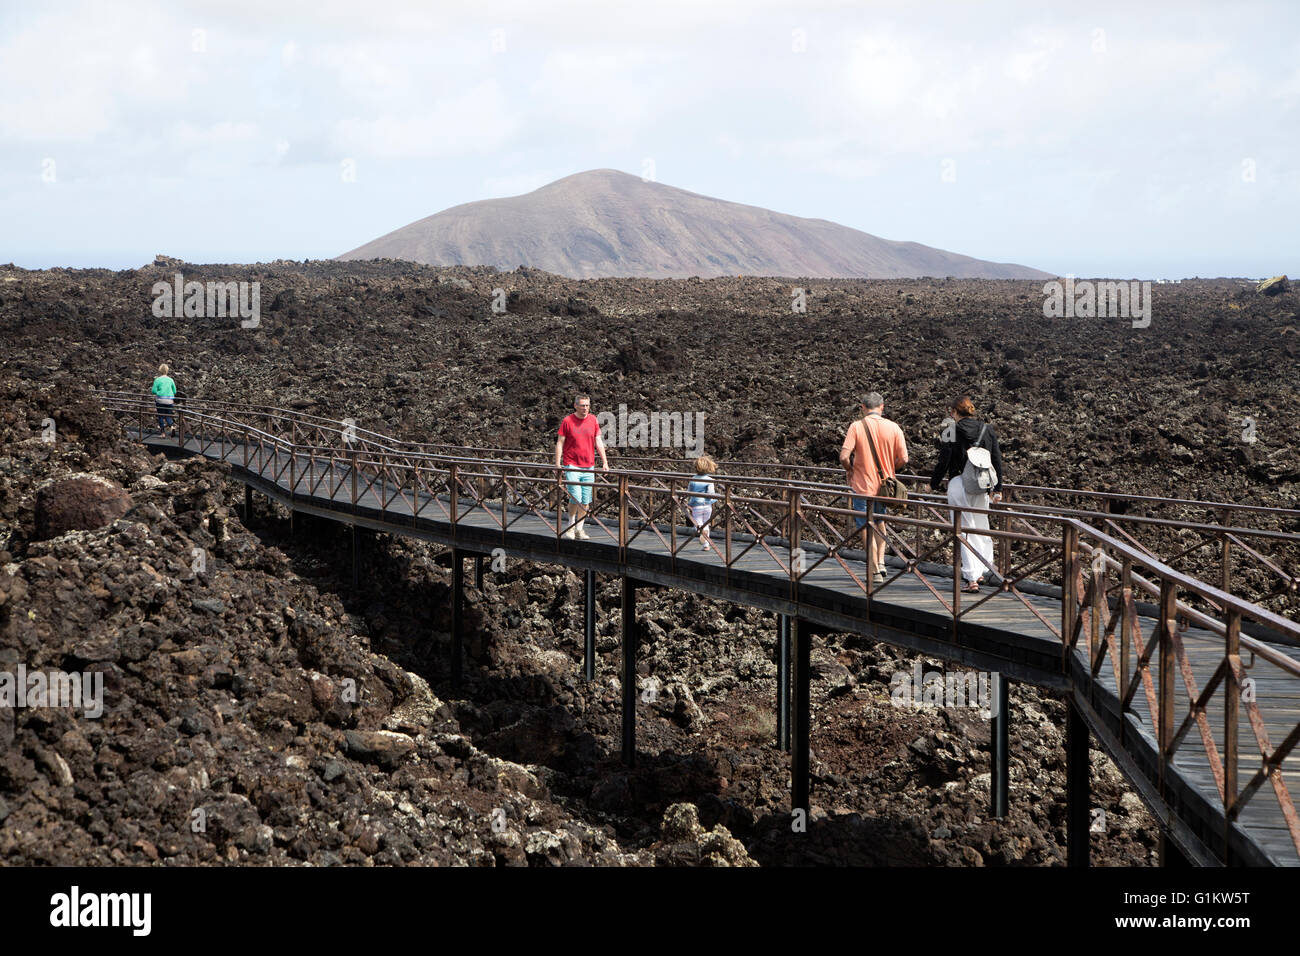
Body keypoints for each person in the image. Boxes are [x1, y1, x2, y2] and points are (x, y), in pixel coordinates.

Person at [929, 395, 1005, 592]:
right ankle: (984, 568)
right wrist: (997, 489)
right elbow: (996, 459)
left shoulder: (950, 429)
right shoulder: (987, 429)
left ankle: (971, 578)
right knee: (981, 525)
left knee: (963, 529)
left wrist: (933, 484)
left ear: (953, 412)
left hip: (959, 483)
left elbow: (944, 460)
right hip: (982, 485)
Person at [839, 392, 908, 584]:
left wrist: (851, 470)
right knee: (879, 522)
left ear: (862, 407)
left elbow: (844, 456)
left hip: (862, 487)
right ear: (882, 407)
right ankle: (882, 562)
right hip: (885, 487)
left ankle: (875, 570)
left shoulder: (857, 426)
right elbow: (904, 459)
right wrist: (889, 469)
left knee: (865, 525)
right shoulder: (894, 427)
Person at [555, 394, 609, 539]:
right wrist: (558, 463)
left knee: (585, 500)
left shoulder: (593, 420)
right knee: (576, 497)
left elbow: (598, 441)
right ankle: (570, 527)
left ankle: (580, 528)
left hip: (588, 465)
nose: (585, 408)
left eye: (587, 405)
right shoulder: (568, 421)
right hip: (572, 465)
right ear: (575, 406)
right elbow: (560, 442)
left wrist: (604, 461)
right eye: (582, 405)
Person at [685, 455, 718, 551]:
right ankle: (706, 545)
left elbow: (688, 492)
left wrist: (686, 501)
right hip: (707, 505)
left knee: (697, 524)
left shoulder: (693, 479)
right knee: (706, 524)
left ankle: (702, 532)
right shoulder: (710, 480)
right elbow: (711, 494)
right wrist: (713, 500)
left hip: (696, 505)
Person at [151, 363, 177, 436]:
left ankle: (162, 433)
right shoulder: (171, 380)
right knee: (168, 415)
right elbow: (175, 391)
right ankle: (172, 426)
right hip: (169, 400)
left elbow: (153, 391)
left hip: (160, 400)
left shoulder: (157, 380)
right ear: (167, 371)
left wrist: (159, 392)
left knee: (161, 416)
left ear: (160, 370)